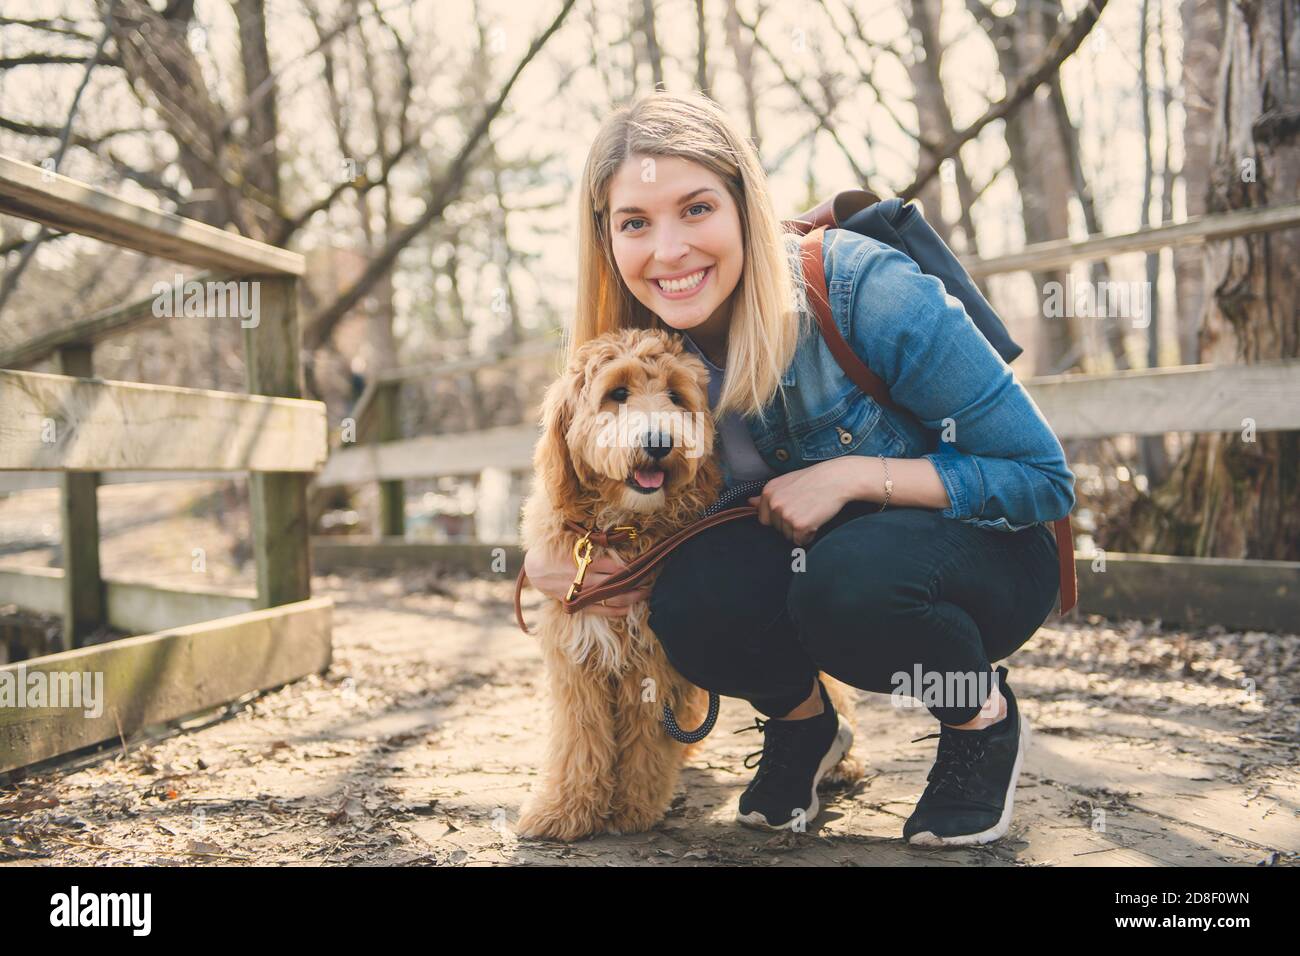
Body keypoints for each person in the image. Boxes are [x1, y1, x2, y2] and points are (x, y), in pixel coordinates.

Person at [522, 90, 1074, 846]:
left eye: (696, 208)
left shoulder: (860, 289)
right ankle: (806, 727)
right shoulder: (647, 346)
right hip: (824, 561)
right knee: (691, 598)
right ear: (606, 238)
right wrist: (557, 553)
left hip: (982, 549)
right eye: (635, 223)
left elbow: (1043, 478)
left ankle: (979, 716)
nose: (670, 250)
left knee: (847, 578)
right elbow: (591, 478)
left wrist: (854, 478)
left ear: (744, 203)